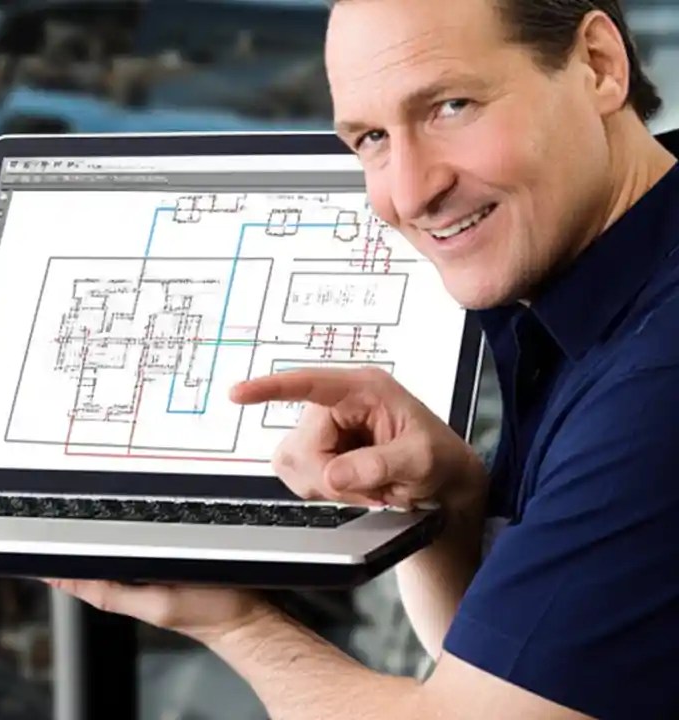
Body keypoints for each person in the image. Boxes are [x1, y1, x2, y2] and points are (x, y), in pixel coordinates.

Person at [47, 0, 679, 717]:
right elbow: (524, 677)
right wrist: (447, 504)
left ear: (598, 64)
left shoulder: (657, 376)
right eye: (372, 138)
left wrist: (234, 623)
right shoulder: (590, 286)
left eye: (451, 107)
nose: (410, 193)